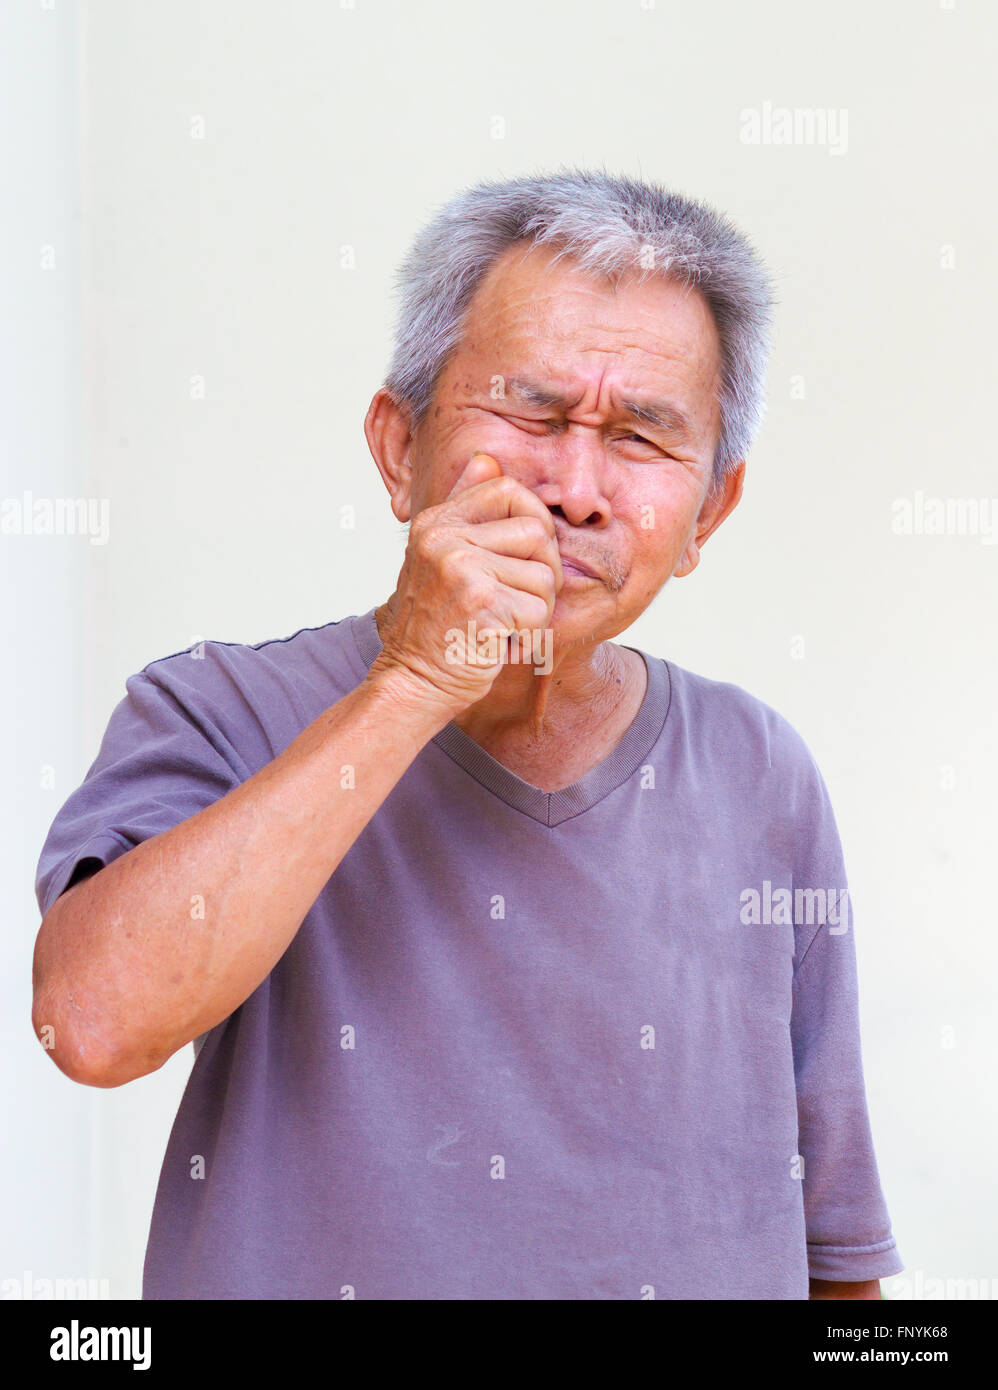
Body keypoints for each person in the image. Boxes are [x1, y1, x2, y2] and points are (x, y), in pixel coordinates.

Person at [32, 169, 903, 1300]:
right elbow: (91, 1025)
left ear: (707, 512)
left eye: (641, 438)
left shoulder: (759, 772)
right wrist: (414, 681)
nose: (575, 487)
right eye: (531, 412)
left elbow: (834, 1252)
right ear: (399, 448)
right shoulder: (217, 709)